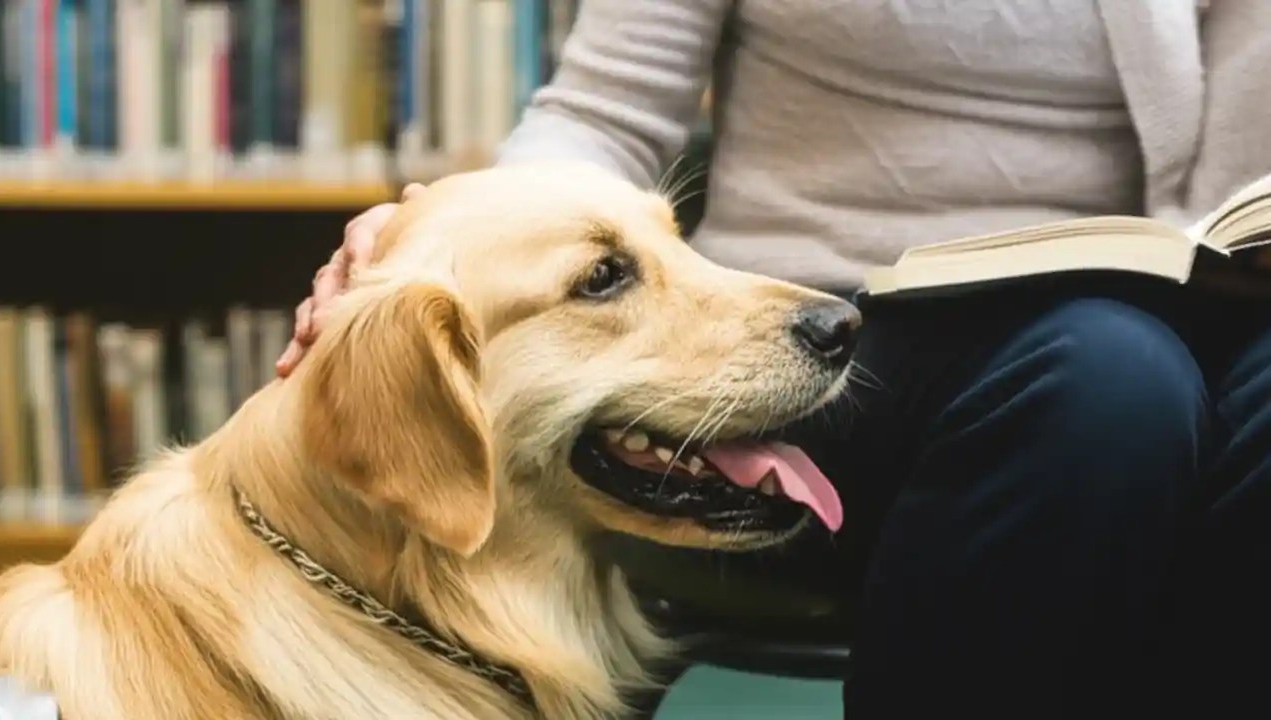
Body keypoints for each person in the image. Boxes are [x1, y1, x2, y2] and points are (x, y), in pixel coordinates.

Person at [277, 2, 1271, 718]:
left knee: (1165, 370)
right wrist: (427, 239)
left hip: (1155, 324)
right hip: (817, 335)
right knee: (1106, 381)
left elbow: (1235, 189)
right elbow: (604, 117)